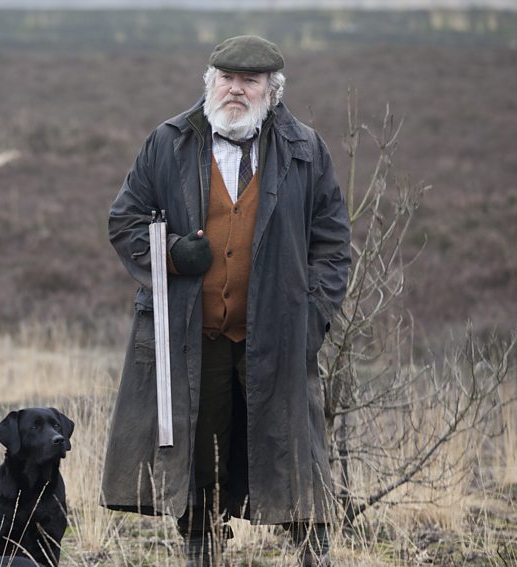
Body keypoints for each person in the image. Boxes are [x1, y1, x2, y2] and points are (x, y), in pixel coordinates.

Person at [101, 35, 351, 567]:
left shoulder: (305, 150)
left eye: (249, 81)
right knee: (199, 454)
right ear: (210, 82)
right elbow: (124, 222)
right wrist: (170, 253)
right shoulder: (167, 143)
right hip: (195, 335)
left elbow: (332, 245)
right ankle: (202, 552)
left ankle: (314, 554)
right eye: (226, 79)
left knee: (295, 454)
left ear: (272, 90)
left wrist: (312, 319)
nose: (235, 90)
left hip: (280, 335)